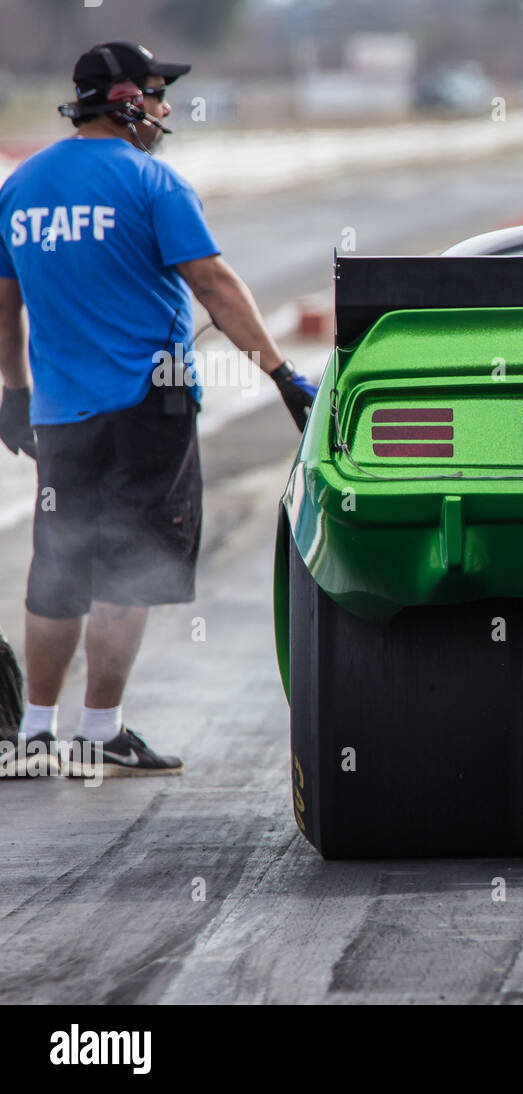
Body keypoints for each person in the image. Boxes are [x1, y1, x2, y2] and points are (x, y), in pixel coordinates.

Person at [0, 41, 318, 778]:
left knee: (58, 565)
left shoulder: (22, 187)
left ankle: (36, 733)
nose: (164, 107)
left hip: (60, 414)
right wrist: (279, 373)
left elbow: (4, 302)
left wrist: (13, 393)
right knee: (127, 566)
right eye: (154, 92)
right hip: (149, 403)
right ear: (124, 101)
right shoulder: (153, 182)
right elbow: (214, 284)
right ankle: (100, 731)